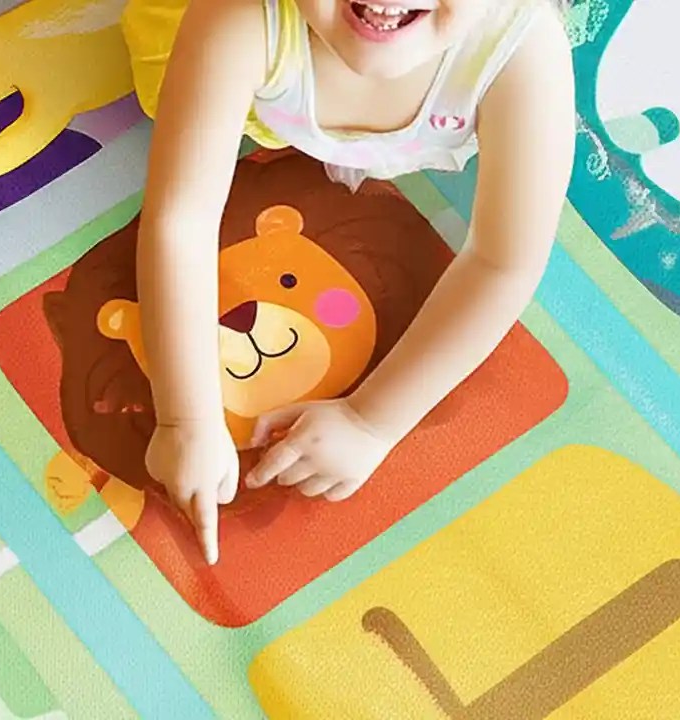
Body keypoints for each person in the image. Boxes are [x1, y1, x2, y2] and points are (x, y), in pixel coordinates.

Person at [123, 0, 575, 564]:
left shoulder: (524, 51)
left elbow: (504, 262)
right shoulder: (237, 19)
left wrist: (373, 421)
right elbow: (181, 220)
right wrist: (185, 417)